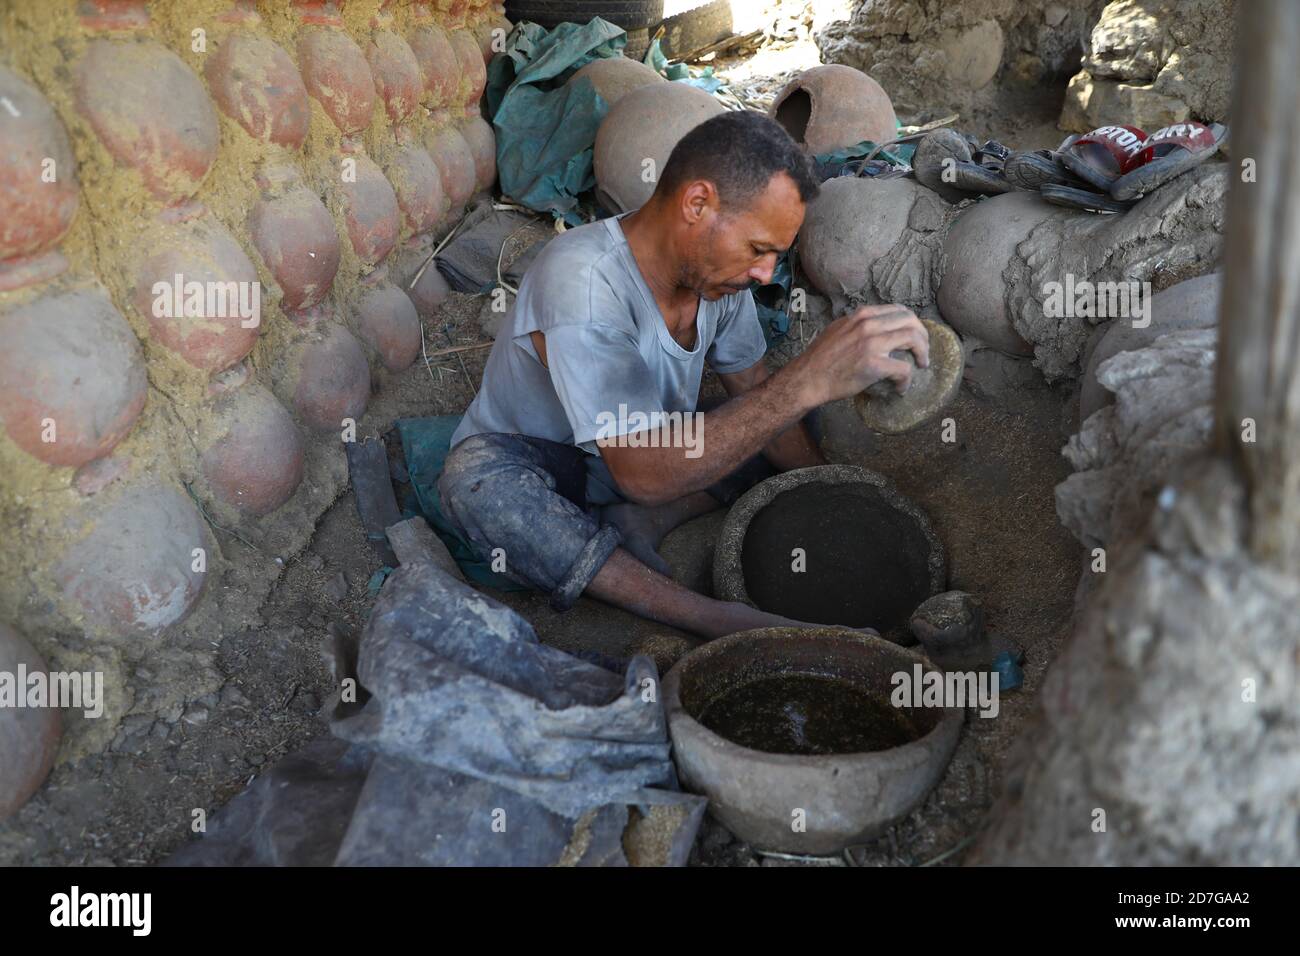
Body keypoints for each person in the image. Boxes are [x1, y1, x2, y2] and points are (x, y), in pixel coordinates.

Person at [438, 110, 929, 639]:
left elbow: (754, 389)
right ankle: (713, 618)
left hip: (647, 451)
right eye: (759, 249)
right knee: (477, 488)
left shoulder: (718, 280)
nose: (766, 274)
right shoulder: (582, 285)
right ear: (697, 204)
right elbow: (643, 474)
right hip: (546, 466)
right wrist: (806, 381)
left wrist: (832, 496)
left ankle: (648, 521)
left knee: (758, 421)